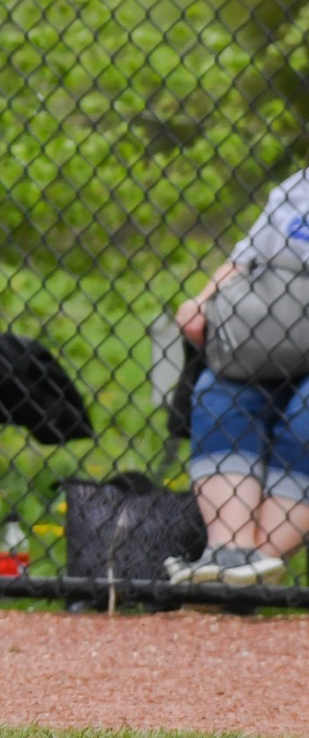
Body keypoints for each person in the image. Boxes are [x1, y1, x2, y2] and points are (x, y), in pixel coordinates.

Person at [167, 168, 309, 586]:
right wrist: (201, 301)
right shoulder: (297, 187)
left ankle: (254, 564)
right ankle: (228, 550)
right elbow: (243, 261)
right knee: (218, 394)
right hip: (274, 336)